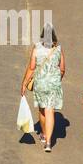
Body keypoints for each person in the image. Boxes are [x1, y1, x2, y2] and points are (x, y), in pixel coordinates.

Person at [21, 23, 65, 153]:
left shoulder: (37, 48)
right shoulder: (58, 48)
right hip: (53, 84)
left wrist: (24, 83)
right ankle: (48, 142)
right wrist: (57, 78)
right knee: (50, 110)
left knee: (42, 109)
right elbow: (62, 68)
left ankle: (44, 134)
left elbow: (31, 67)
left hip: (40, 83)